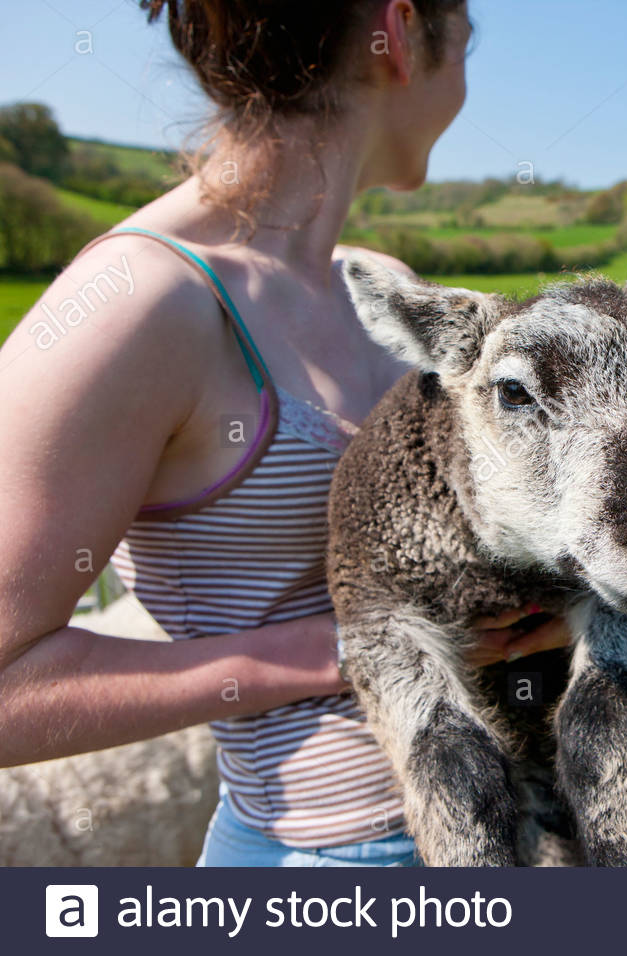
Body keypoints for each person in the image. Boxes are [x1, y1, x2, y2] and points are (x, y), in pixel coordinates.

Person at [0, 0, 570, 866]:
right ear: (400, 32)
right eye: (469, 40)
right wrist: (330, 652)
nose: (469, 79)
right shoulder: (135, 301)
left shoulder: (373, 287)